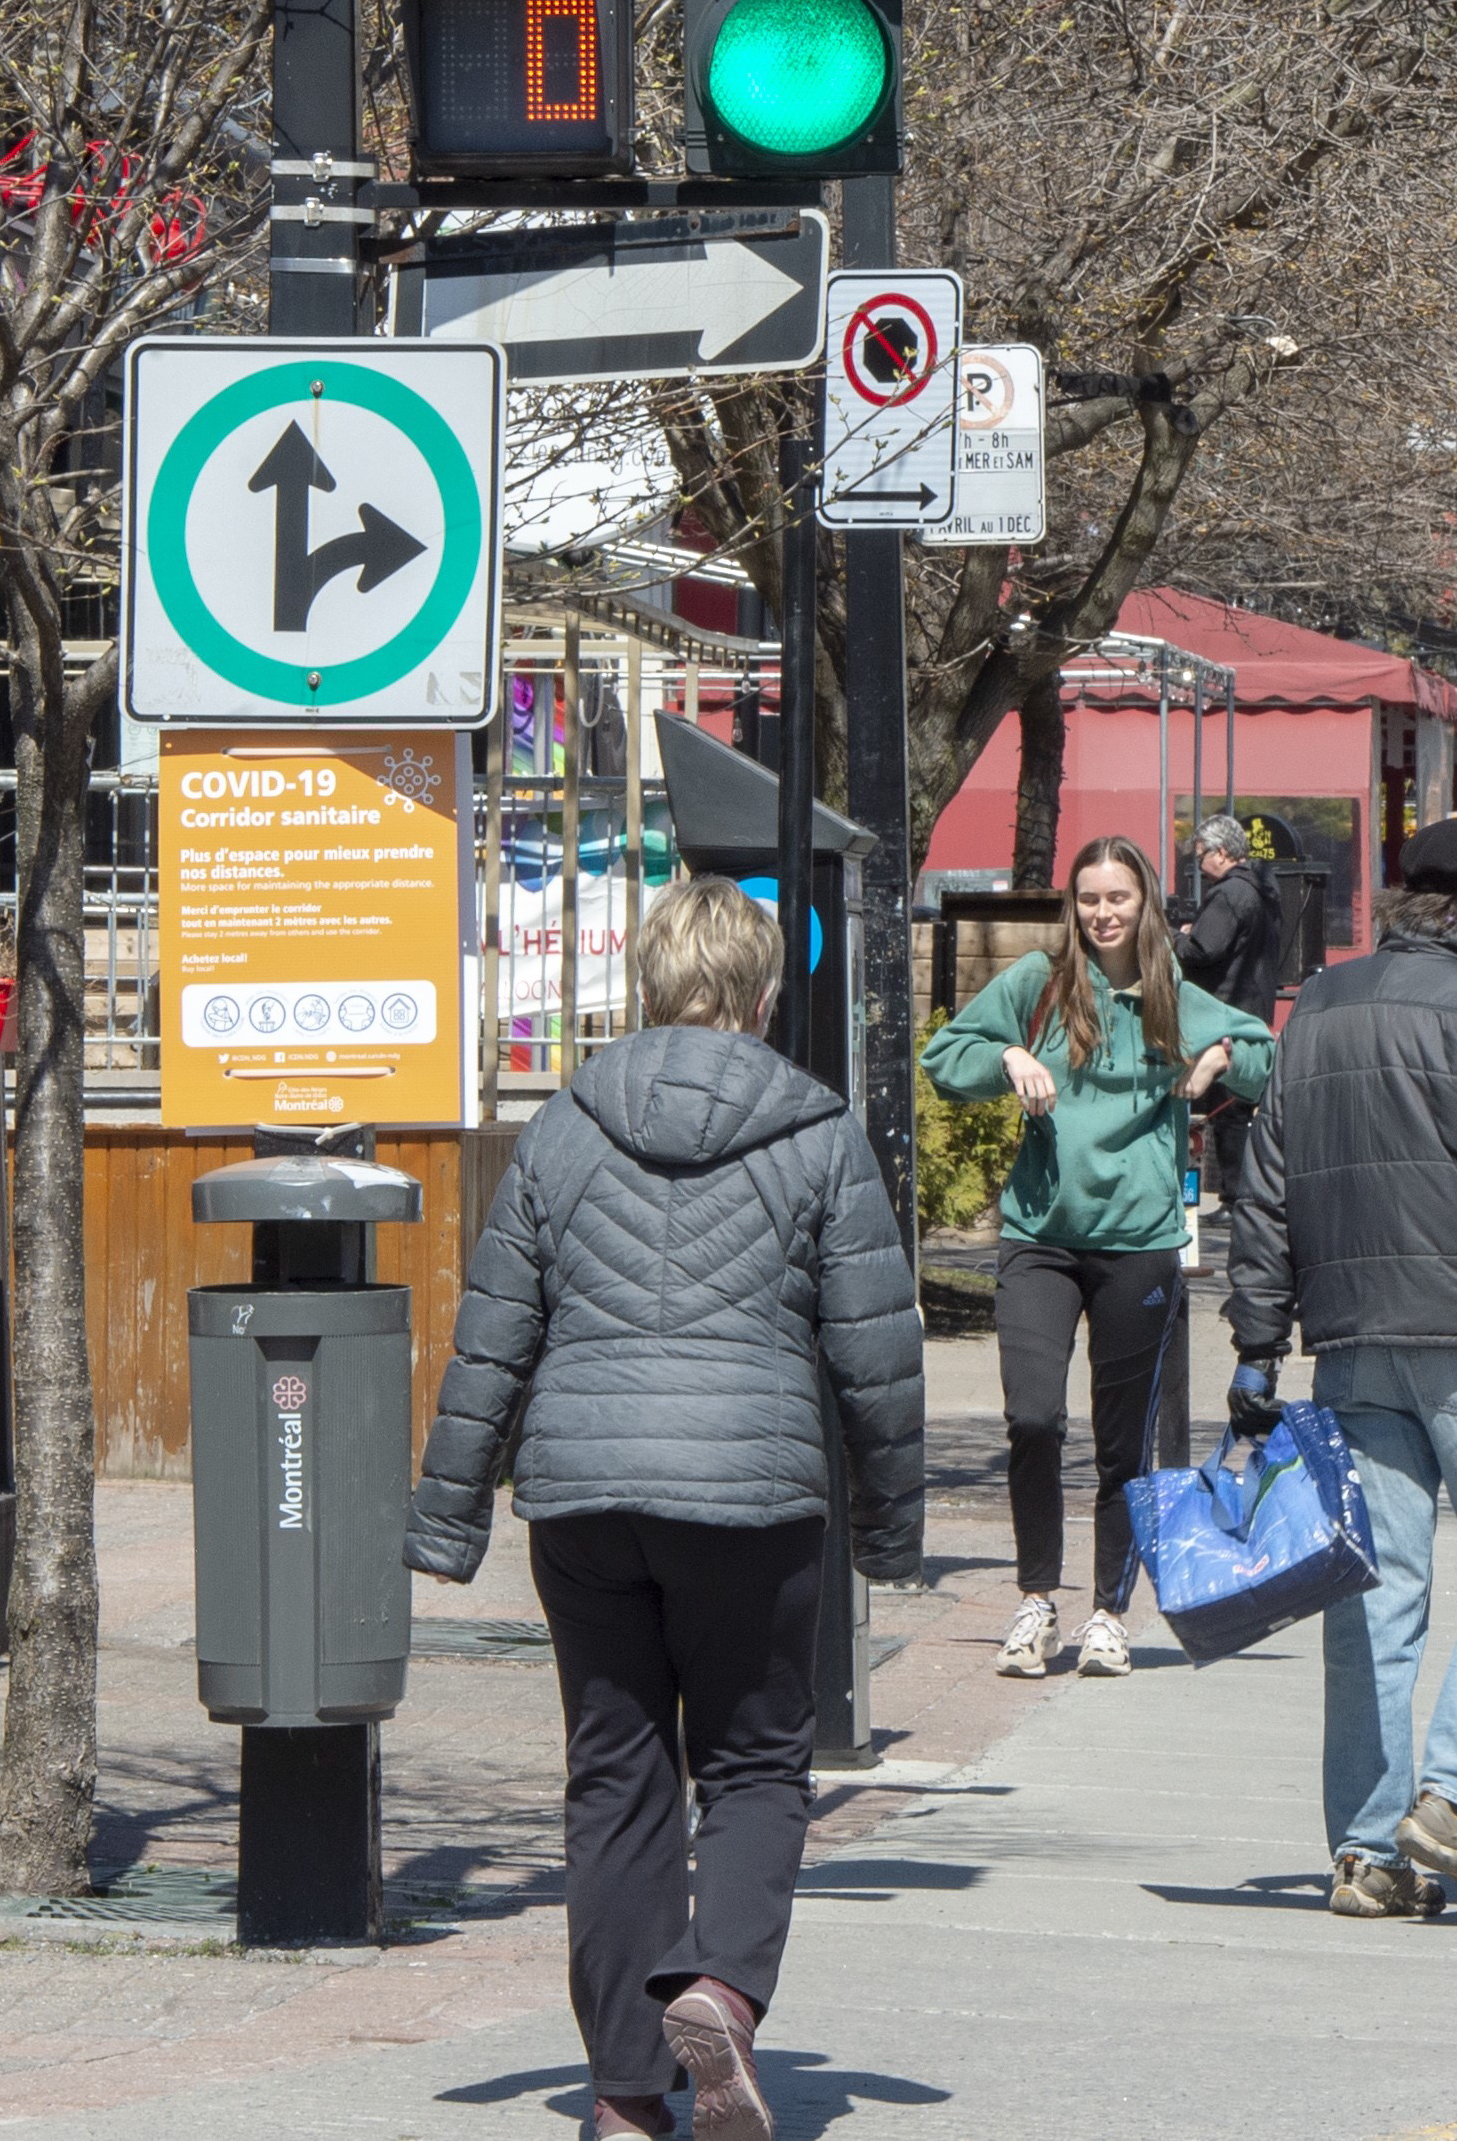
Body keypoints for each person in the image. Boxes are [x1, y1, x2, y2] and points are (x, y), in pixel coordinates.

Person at [410, 876, 926, 2141]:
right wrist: (891, 1525)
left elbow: (494, 1332)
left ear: (643, 985)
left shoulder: (563, 1124)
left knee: (616, 1775)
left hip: (583, 1497)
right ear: (762, 993)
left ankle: (627, 2097)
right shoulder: (817, 1132)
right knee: (752, 1760)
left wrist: (448, 1509)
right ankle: (721, 1989)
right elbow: (876, 1350)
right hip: (749, 1498)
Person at [1227, 814, 1457, 1920]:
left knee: (1375, 1597)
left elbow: (1265, 1179)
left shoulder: (1321, 1004)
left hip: (1347, 1345)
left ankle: (1366, 1854)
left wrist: (1253, 1339)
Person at [923, 834, 1276, 1679]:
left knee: (1124, 1444)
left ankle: (1110, 1613)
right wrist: (1007, 1054)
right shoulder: (1037, 988)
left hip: (1138, 1245)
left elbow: (1269, 1052)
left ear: (1145, 905)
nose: (1103, 913)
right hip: (1039, 1238)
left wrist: (1222, 1055)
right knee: (1033, 1418)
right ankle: (1037, 1599)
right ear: (1072, 907)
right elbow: (944, 1058)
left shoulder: (1172, 997)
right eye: (1089, 899)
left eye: (1118, 898)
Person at [1175, 815, 1287, 1205]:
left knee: (1225, 1111)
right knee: (1236, 1106)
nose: (1199, 865)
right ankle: (1233, 1194)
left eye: (1201, 855)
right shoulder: (1262, 890)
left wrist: (1176, 937)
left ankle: (1231, 1195)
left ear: (1222, 853)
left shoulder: (1229, 894)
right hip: (1252, 1007)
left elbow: (1204, 950)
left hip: (1223, 1009)